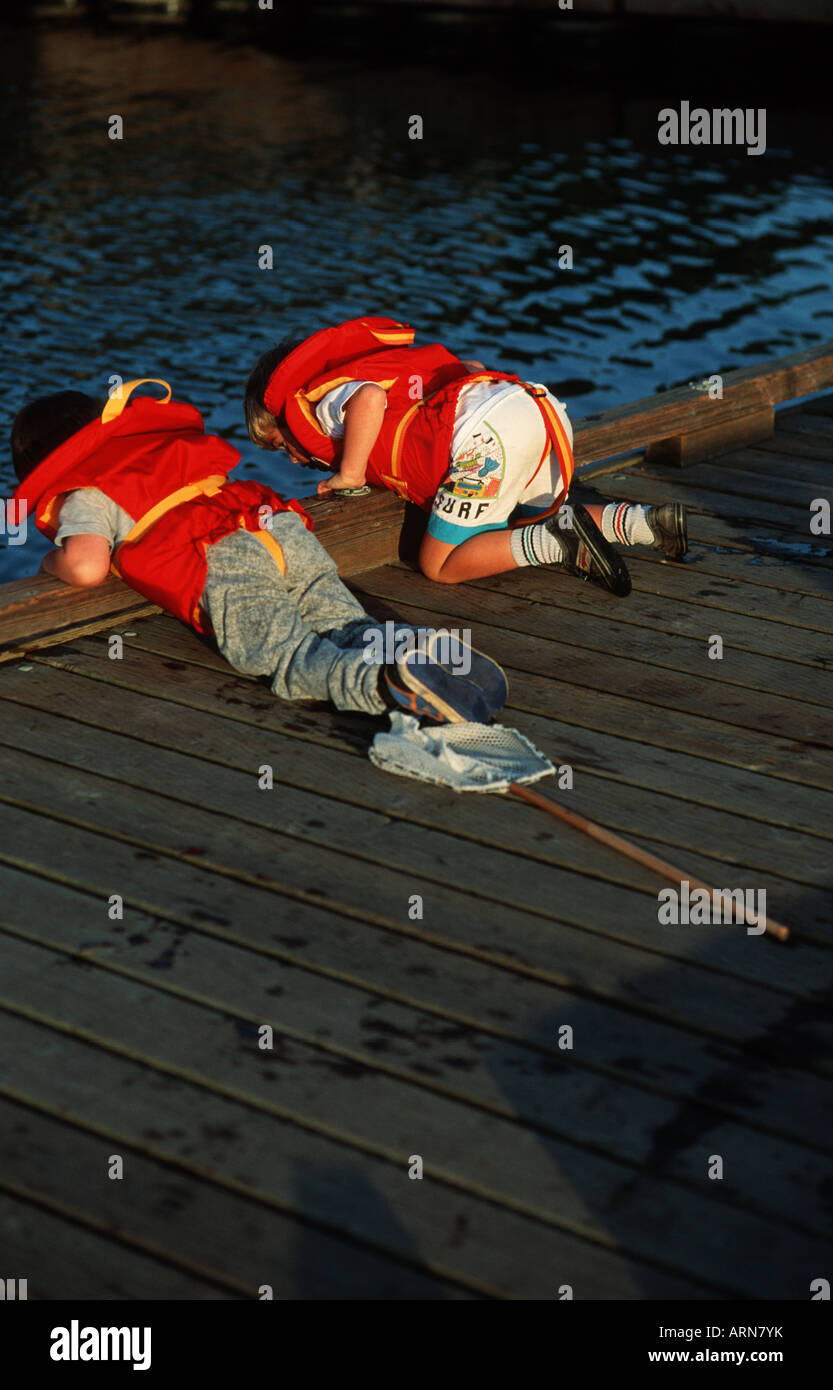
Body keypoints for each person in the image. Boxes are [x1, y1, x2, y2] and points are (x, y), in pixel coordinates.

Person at [10, 380, 507, 725]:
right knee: (342, 623)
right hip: (275, 525)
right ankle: (418, 652)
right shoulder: (151, 448)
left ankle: (384, 686)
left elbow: (87, 565)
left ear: (45, 464)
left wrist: (50, 561)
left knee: (286, 656)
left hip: (221, 556)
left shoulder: (83, 493)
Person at [243, 315, 688, 594]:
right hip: (536, 407)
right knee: (514, 519)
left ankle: (557, 543)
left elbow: (368, 402)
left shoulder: (319, 401)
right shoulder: (391, 369)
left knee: (439, 564)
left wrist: (350, 473)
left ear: (284, 410)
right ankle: (645, 523)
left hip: (487, 438)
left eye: (283, 445)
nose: (296, 459)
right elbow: (470, 368)